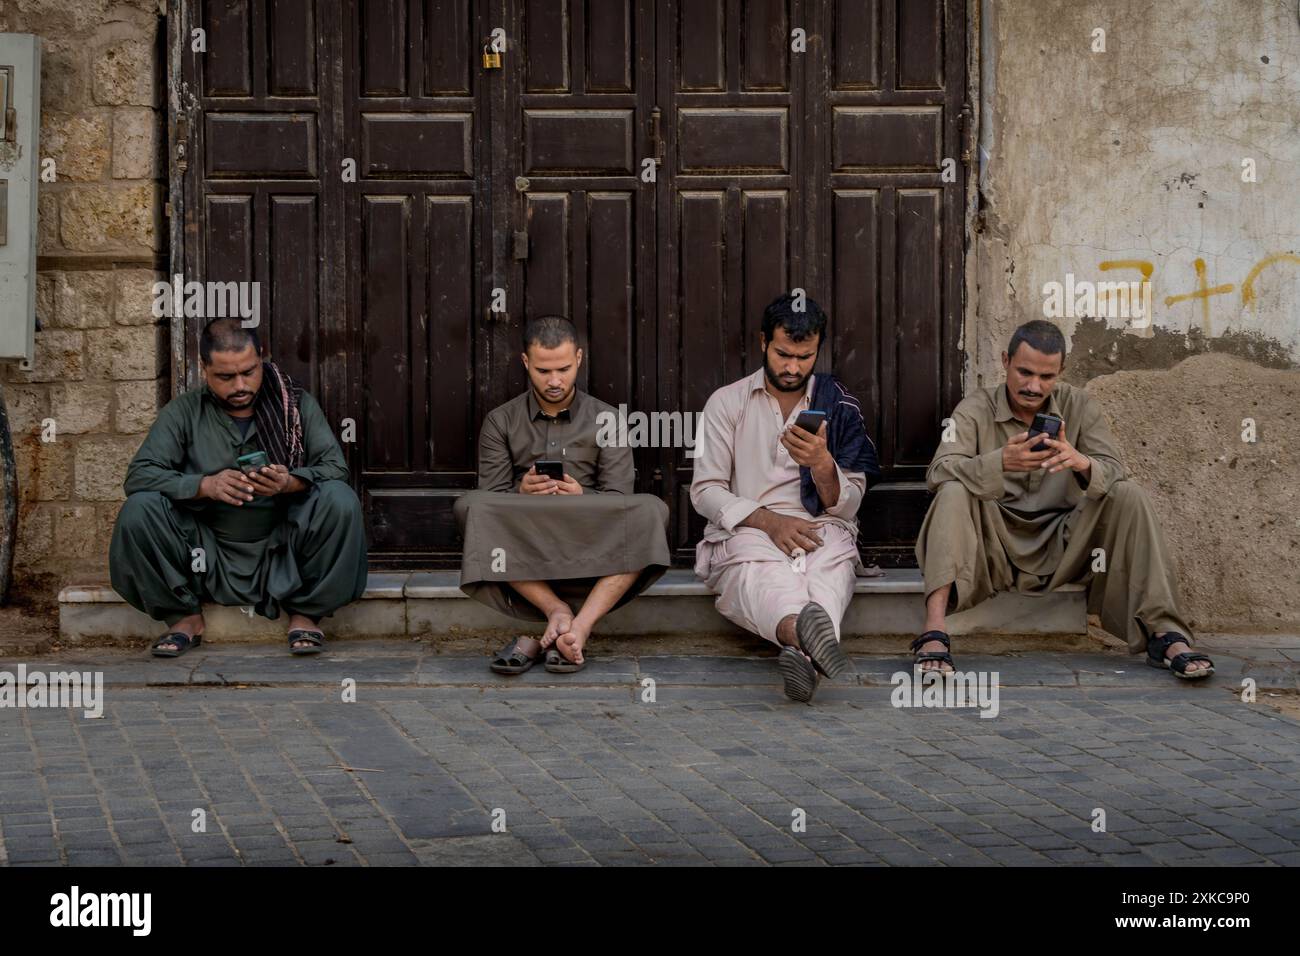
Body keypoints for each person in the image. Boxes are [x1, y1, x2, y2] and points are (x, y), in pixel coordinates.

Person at [913, 319, 1213, 680]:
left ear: (1061, 372)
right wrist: (999, 463)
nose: (1033, 386)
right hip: (993, 547)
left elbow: (1115, 472)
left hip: (1067, 545)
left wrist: (1081, 462)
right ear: (1005, 360)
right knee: (953, 490)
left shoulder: (1080, 407)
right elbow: (938, 472)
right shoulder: (975, 408)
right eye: (1024, 372)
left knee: (1129, 495)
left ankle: (1165, 634)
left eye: (1046, 377)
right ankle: (934, 630)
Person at [109, 317, 368, 657]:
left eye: (249, 372)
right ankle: (184, 617)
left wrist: (289, 482)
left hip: (284, 546)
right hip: (206, 549)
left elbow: (335, 469)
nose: (240, 386)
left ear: (262, 357)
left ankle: (306, 613)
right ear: (204, 369)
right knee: (138, 510)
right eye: (226, 377)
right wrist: (204, 485)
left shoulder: (296, 406)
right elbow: (140, 476)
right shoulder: (184, 412)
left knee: (339, 499)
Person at [454, 316, 670, 675]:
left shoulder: (608, 418)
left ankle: (580, 627)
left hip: (591, 533)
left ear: (579, 359)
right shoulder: (501, 420)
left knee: (651, 510)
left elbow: (619, 497)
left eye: (564, 369)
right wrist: (520, 491)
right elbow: (490, 498)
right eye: (543, 371)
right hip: (526, 535)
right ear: (525, 362)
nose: (554, 381)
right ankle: (556, 609)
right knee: (469, 507)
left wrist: (582, 494)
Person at [690, 293, 880, 702]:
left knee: (828, 570)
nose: (793, 367)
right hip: (750, 526)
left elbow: (847, 505)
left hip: (822, 527)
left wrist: (823, 464)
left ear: (818, 351)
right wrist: (771, 523)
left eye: (804, 356)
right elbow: (705, 491)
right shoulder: (727, 403)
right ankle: (804, 636)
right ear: (763, 342)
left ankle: (801, 650)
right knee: (763, 573)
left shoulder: (840, 406)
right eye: (783, 354)